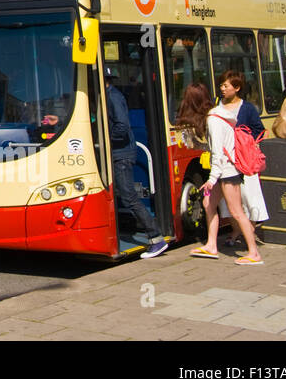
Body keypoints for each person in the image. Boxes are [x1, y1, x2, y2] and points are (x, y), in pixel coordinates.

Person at [181, 73, 263, 265]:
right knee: (208, 204)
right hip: (223, 170)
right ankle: (211, 245)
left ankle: (254, 253)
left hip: (228, 171)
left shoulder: (214, 120)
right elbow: (217, 146)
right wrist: (197, 146)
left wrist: (211, 179)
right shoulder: (215, 115)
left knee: (236, 211)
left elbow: (218, 153)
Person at [106, 70, 168, 258]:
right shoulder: (109, 96)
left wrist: (104, 136)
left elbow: (122, 127)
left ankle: (156, 238)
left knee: (129, 197)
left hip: (121, 154)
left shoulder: (113, 97)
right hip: (118, 153)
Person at [220, 71, 268, 247]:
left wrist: (249, 142)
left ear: (237, 88)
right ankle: (236, 231)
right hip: (228, 160)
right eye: (222, 86)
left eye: (226, 86)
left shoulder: (247, 108)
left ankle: (250, 230)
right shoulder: (219, 108)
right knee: (230, 201)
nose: (222, 89)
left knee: (250, 196)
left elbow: (259, 129)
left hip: (246, 160)